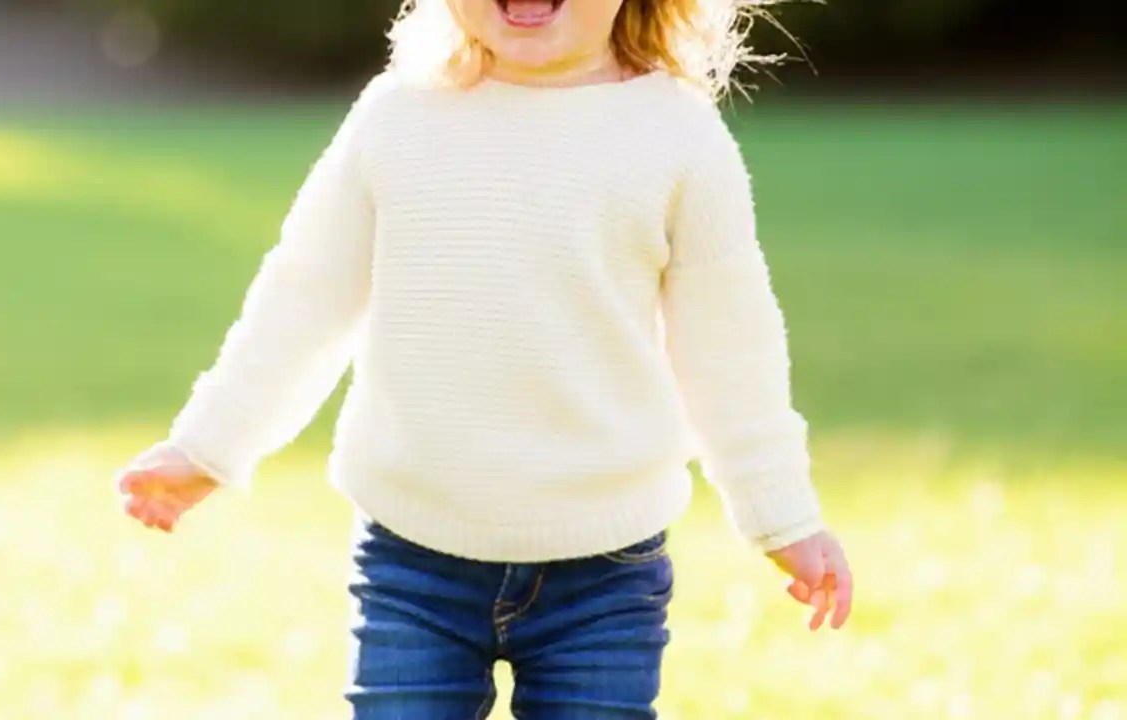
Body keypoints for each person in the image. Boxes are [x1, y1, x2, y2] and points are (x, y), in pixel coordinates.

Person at [115, 0, 854, 716]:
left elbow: (731, 352)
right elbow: (301, 299)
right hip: (414, 561)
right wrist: (209, 446)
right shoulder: (397, 117)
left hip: (605, 576)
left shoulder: (678, 139)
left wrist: (781, 515)